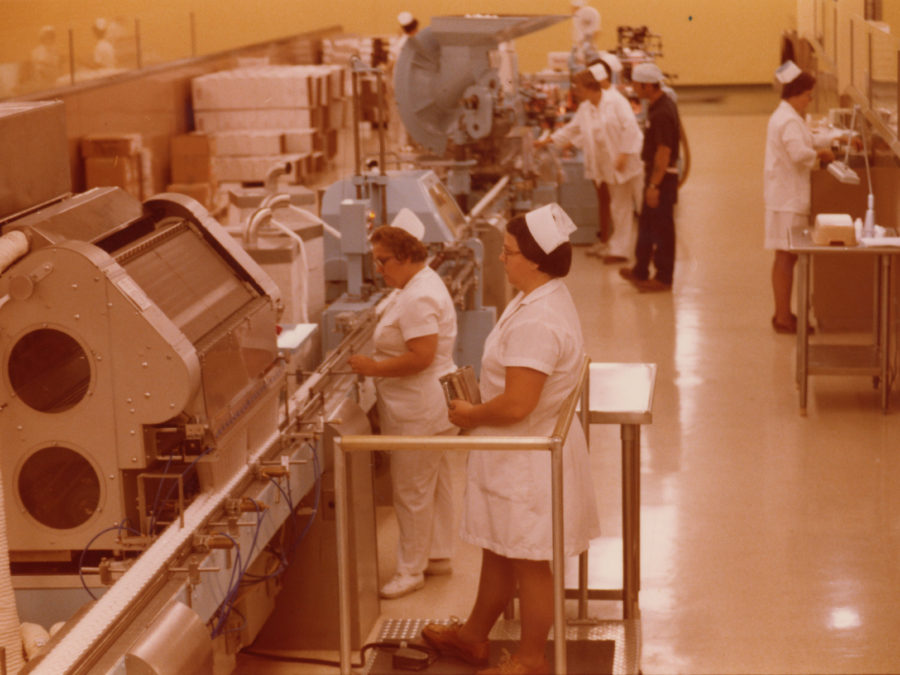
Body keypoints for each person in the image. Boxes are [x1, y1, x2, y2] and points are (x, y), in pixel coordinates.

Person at [421, 204, 600, 675]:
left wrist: (471, 412)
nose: (502, 258)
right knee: (500, 548)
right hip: (514, 453)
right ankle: (472, 638)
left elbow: (520, 403)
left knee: (530, 562)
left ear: (536, 260)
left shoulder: (537, 321)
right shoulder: (539, 296)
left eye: (510, 252)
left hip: (527, 457)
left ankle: (530, 659)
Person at [348, 209, 457, 599]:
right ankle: (439, 553)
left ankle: (410, 571)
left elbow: (421, 356)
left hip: (420, 408)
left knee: (411, 490)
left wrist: (373, 368)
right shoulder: (416, 286)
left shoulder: (419, 295)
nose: (378, 269)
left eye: (383, 261)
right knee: (437, 481)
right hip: (432, 404)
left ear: (407, 255)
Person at [539, 59, 644, 265]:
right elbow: (572, 129)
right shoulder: (586, 108)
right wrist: (545, 142)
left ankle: (654, 249)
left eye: (577, 87)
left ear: (589, 87)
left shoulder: (615, 101)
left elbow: (631, 128)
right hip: (610, 168)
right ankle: (620, 250)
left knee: (643, 207)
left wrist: (624, 154)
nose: (575, 92)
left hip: (631, 162)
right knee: (619, 208)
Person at [764, 61, 834, 333]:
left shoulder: (789, 116)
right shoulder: (788, 120)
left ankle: (783, 313)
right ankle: (783, 317)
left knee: (785, 256)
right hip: (787, 200)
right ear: (795, 93)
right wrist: (822, 155)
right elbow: (799, 154)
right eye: (808, 95)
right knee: (785, 257)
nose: (809, 100)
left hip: (785, 197)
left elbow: (806, 140)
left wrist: (831, 141)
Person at [619, 62, 681, 292]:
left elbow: (664, 152)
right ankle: (640, 270)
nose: (634, 88)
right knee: (646, 224)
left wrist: (654, 185)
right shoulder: (657, 105)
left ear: (647, 85)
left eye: (636, 84)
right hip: (654, 175)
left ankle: (664, 278)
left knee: (662, 228)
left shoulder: (663, 112)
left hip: (662, 178)